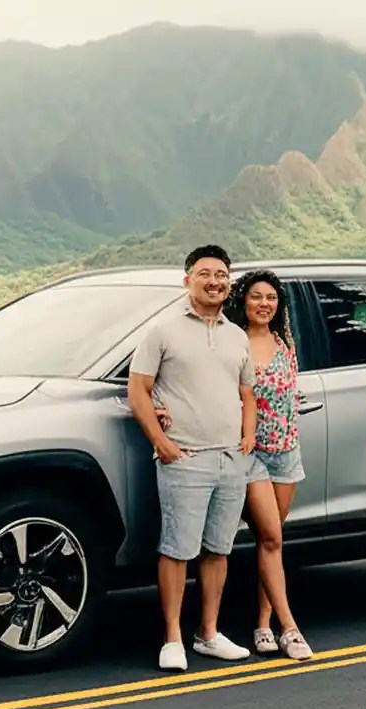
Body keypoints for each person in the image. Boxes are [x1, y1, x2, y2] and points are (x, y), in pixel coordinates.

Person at [155, 269, 314, 661]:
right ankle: (290, 627)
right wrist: (161, 407)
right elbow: (201, 382)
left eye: (271, 298)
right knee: (270, 535)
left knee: (271, 540)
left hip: (286, 450)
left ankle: (264, 623)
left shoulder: (285, 341)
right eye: (256, 297)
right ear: (243, 300)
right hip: (248, 452)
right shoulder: (232, 340)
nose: (264, 304)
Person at [127, 244, 257, 672]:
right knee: (177, 549)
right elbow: (138, 390)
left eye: (222, 274)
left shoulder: (236, 335)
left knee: (219, 549)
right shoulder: (163, 331)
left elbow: (246, 392)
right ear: (188, 280)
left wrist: (247, 437)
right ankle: (172, 638)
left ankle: (209, 633)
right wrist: (160, 442)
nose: (215, 281)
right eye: (205, 273)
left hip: (230, 459)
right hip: (185, 456)